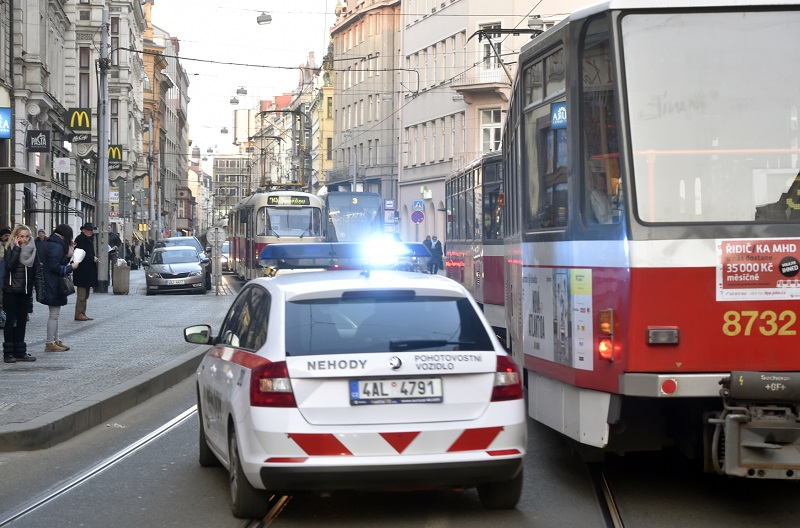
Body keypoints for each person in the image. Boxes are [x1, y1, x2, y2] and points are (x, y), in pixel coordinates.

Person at [3, 225, 44, 363]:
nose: (24, 239)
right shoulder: (10, 249)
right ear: (16, 237)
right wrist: (17, 248)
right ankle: (8, 353)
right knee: (10, 321)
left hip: (25, 291)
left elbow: (38, 272)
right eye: (21, 236)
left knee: (22, 322)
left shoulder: (33, 250)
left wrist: (40, 292)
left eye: (27, 236)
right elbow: (10, 266)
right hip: (11, 291)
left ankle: (20, 351)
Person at [39, 224, 78, 352]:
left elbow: (58, 263)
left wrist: (68, 255)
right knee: (54, 314)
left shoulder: (56, 244)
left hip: (53, 283)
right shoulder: (56, 245)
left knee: (55, 314)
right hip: (53, 283)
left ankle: (55, 340)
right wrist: (71, 267)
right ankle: (50, 342)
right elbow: (54, 267)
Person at [73, 222, 98, 321]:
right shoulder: (81, 239)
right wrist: (92, 258)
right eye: (88, 230)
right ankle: (79, 313)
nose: (90, 232)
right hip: (82, 271)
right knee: (82, 295)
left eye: (91, 230)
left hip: (86, 271)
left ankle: (82, 312)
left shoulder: (87, 239)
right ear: (83, 230)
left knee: (86, 294)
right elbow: (80, 254)